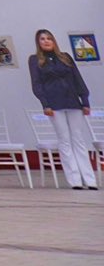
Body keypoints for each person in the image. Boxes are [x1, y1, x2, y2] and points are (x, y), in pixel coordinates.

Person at [30, 30, 98, 191]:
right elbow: (37, 84)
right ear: (38, 42)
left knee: (78, 139)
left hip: (73, 102)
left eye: (49, 38)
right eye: (42, 39)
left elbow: (77, 78)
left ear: (54, 40)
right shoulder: (35, 60)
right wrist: (45, 104)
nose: (46, 41)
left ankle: (90, 179)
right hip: (54, 104)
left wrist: (85, 101)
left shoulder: (65, 57)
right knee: (65, 140)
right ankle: (75, 179)